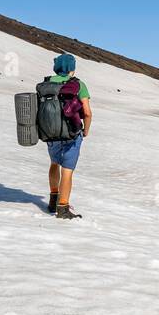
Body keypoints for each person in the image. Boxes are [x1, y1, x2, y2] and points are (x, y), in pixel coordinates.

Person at [44, 54, 92, 219]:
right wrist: (85, 130)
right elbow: (86, 112)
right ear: (72, 68)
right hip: (72, 133)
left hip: (51, 132)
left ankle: (53, 199)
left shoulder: (47, 83)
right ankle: (63, 208)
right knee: (67, 170)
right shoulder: (78, 85)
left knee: (54, 163)